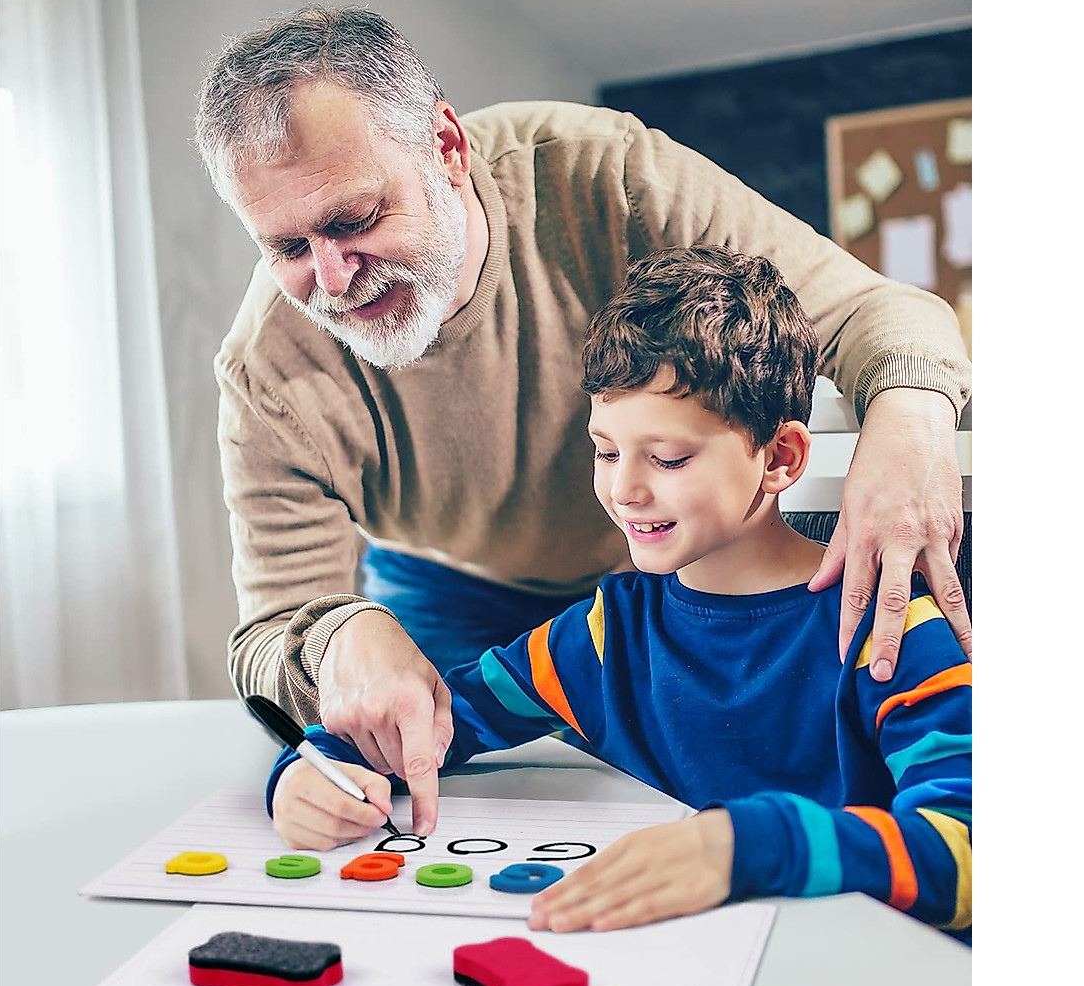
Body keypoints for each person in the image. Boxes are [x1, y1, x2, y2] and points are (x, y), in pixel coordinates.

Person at [198, 5, 972, 837]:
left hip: (674, 582)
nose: (333, 275)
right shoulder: (267, 371)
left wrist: (912, 429)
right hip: (468, 590)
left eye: (356, 220)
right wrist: (339, 641)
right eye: (285, 247)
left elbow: (870, 311)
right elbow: (275, 634)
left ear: (447, 150)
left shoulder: (605, 174)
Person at [266, 246, 972, 941]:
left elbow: (965, 856)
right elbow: (431, 722)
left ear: (780, 458)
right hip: (677, 982)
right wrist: (311, 769)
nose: (624, 490)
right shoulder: (606, 635)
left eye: (668, 457)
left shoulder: (891, 626)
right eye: (606, 451)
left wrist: (743, 846)